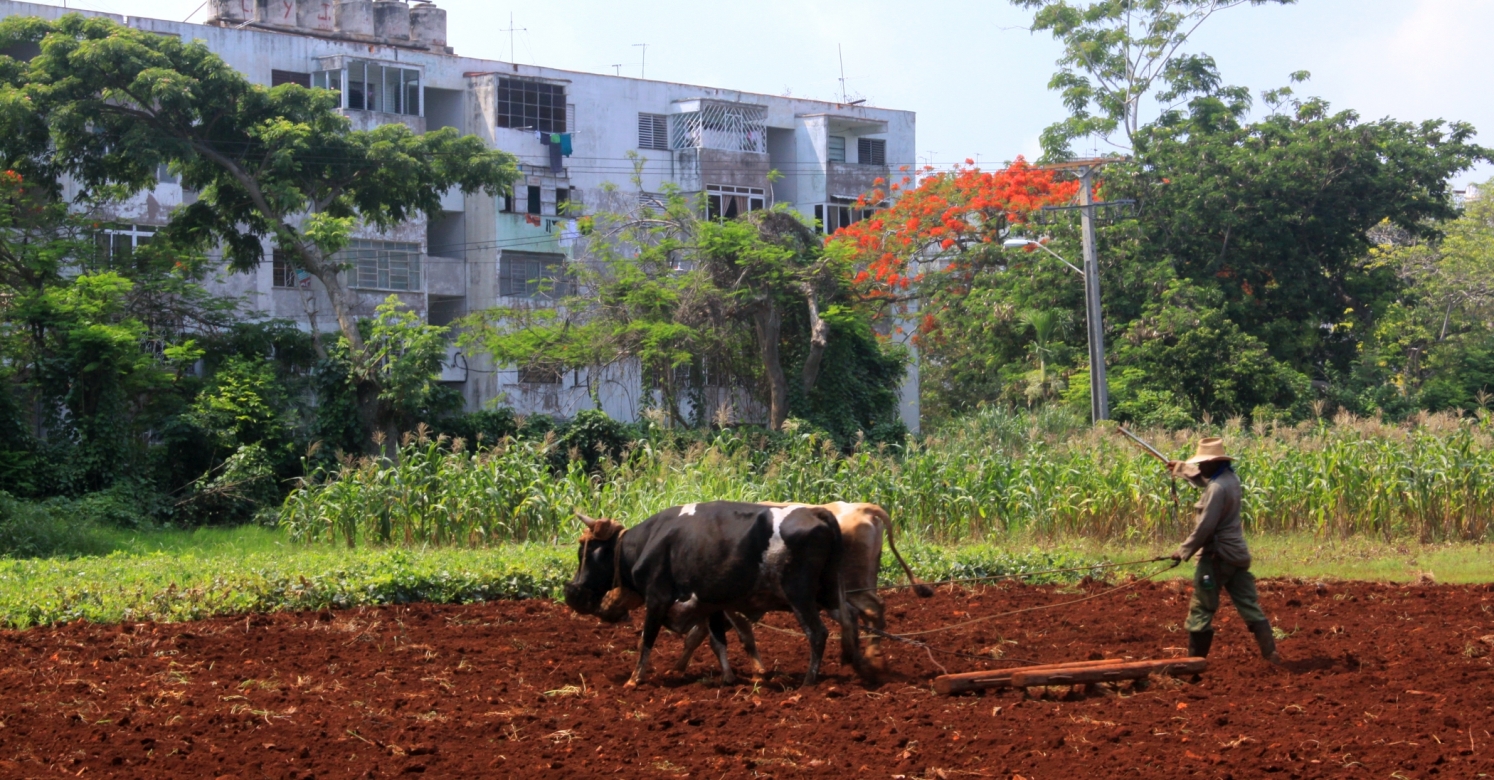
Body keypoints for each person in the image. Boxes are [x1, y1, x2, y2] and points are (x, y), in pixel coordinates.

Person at [1167, 437, 1282, 664]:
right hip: (1237, 556)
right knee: (1249, 605)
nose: (1199, 467)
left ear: (1214, 462)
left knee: (1201, 609)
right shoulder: (1230, 479)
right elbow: (1204, 479)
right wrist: (1181, 468)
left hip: (1217, 557)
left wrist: (1183, 551)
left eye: (1202, 463)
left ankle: (1194, 664)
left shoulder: (1217, 489)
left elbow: (1206, 527)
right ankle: (1271, 654)